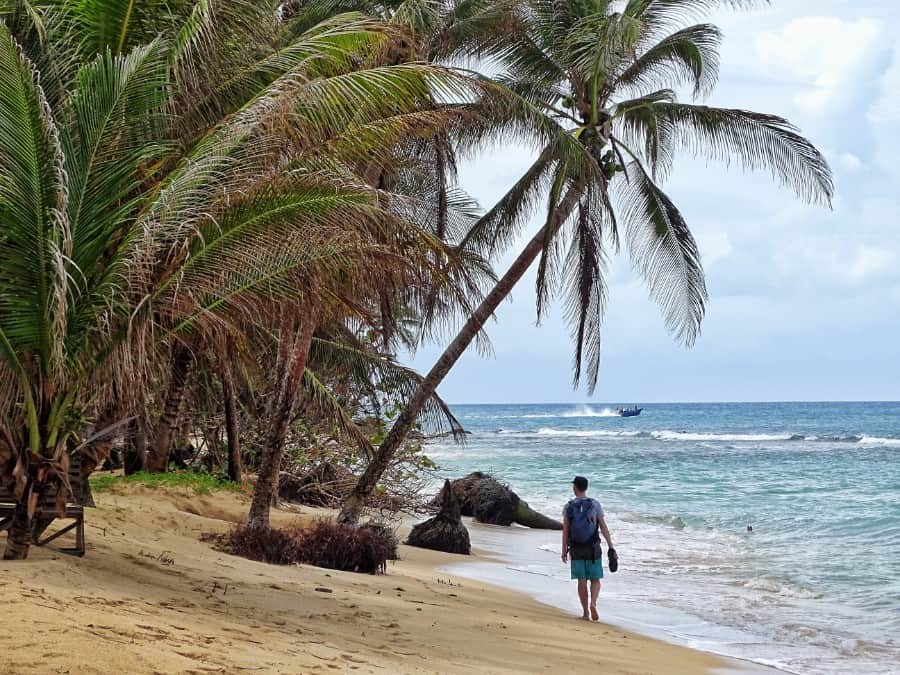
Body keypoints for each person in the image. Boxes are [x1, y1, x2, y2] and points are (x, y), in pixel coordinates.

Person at [561, 476, 614, 621]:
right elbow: (603, 526)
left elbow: (565, 530)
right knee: (595, 579)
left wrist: (563, 549)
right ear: (586, 488)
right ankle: (593, 603)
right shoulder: (595, 505)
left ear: (575, 488)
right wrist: (611, 546)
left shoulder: (569, 506)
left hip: (576, 548)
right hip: (593, 547)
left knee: (582, 580)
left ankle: (585, 613)